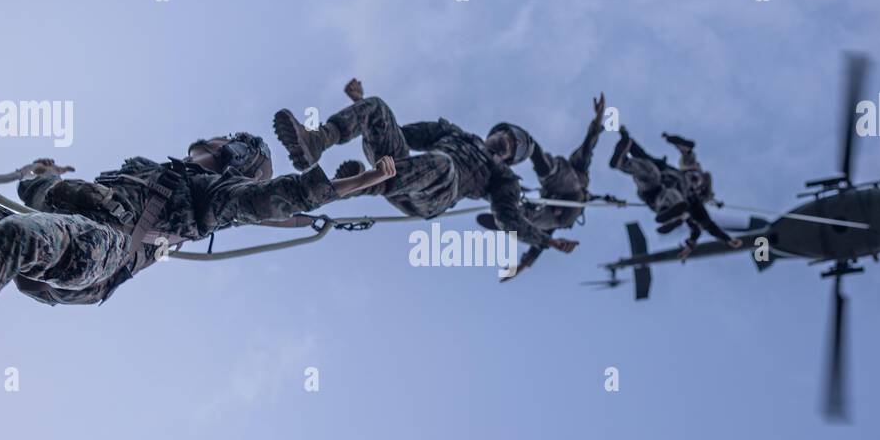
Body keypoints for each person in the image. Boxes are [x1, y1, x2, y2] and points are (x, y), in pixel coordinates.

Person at [0, 134, 393, 413]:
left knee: (17, 236)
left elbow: (270, 201)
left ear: (233, 160)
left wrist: (341, 188)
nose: (211, 140)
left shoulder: (206, 198)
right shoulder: (140, 169)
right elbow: (37, 195)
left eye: (227, 143)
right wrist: (40, 176)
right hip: (52, 226)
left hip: (99, 254)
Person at [272, 78, 577, 257]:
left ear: (509, 160)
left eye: (510, 147)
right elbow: (400, 134)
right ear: (494, 131)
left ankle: (357, 184)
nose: (504, 143)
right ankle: (318, 141)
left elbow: (508, 217)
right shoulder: (455, 134)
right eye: (504, 135)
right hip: (403, 170)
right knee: (378, 108)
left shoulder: (503, 178)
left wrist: (545, 239)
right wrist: (362, 107)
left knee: (444, 165)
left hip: (432, 195)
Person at [480, 93, 607, 282]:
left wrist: (597, 119)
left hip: (568, 199)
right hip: (555, 210)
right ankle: (512, 210)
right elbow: (539, 240)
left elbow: (588, 147)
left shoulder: (578, 168)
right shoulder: (573, 170)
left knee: (552, 174)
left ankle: (514, 213)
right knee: (537, 217)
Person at [609, 127, 743, 261]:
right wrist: (627, 139)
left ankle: (675, 216)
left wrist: (726, 239)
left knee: (677, 197)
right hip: (653, 183)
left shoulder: (693, 201)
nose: (694, 183)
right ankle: (623, 162)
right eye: (694, 178)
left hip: (658, 199)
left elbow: (706, 225)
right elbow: (641, 154)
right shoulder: (671, 171)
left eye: (697, 183)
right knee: (651, 170)